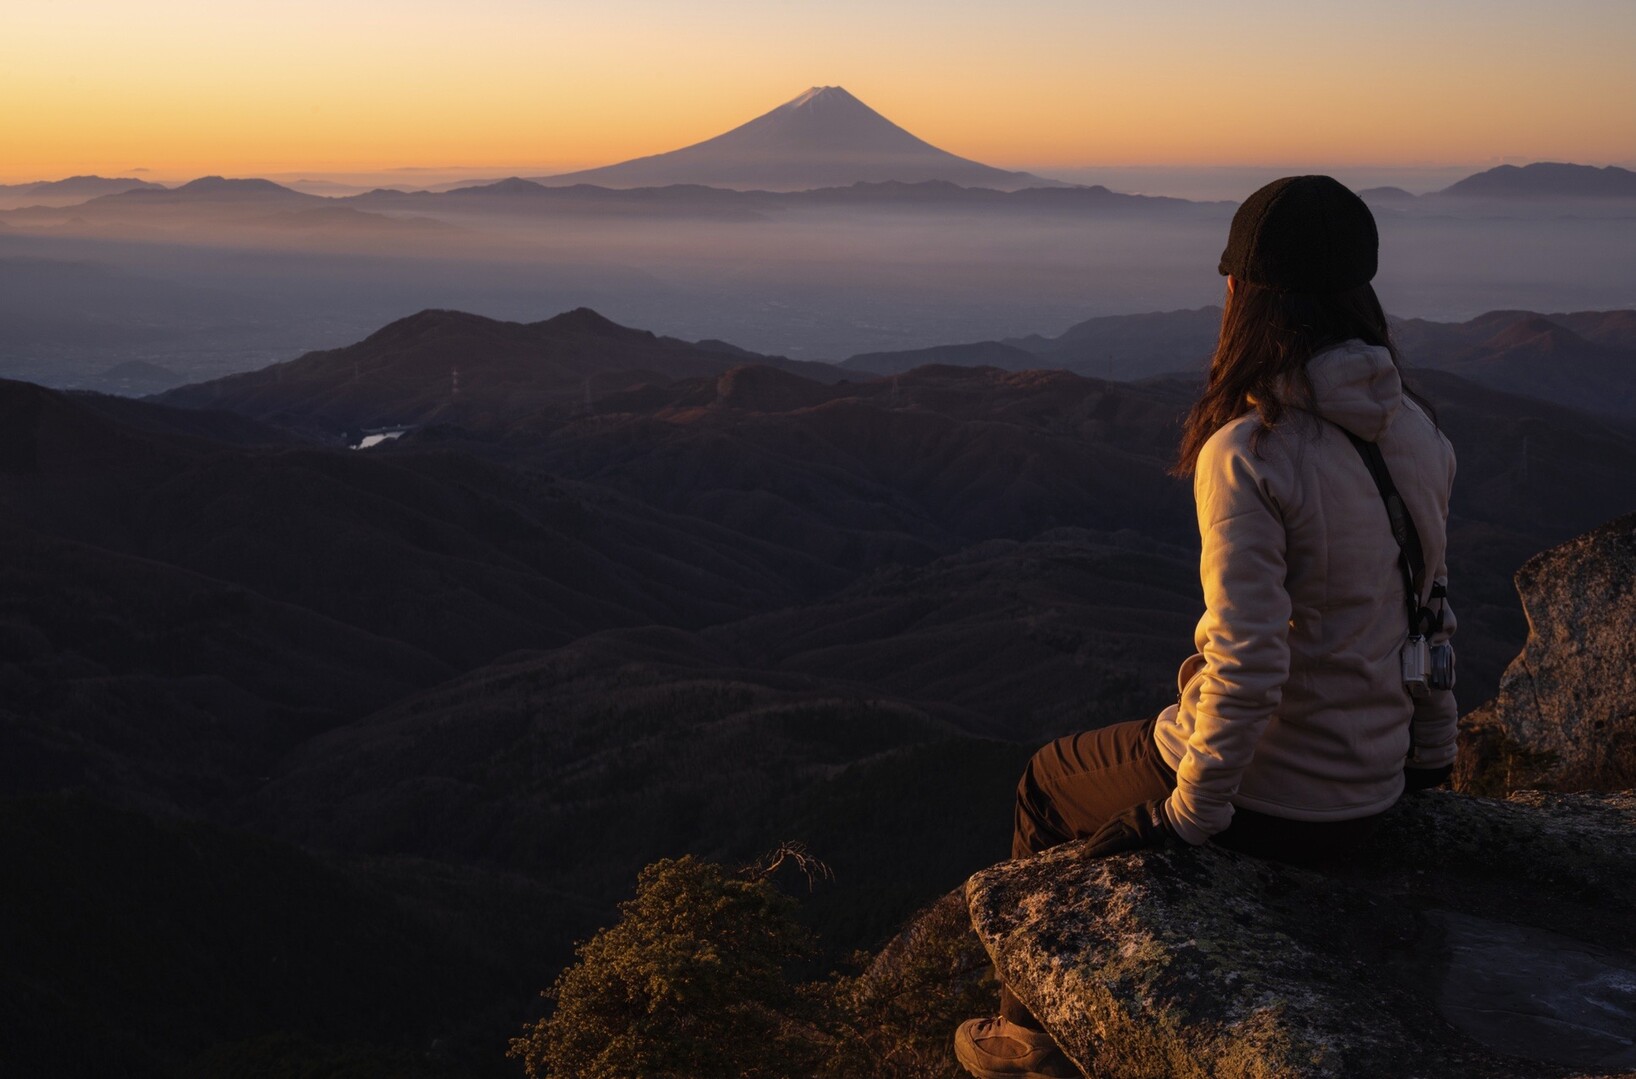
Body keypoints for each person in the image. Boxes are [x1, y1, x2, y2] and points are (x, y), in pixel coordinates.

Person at [953, 175, 1458, 1079]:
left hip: (1273, 799)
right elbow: (1431, 606)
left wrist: (1189, 816)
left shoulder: (1251, 452)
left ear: (1244, 296)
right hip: (1370, 787)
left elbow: (1248, 661)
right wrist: (1429, 760)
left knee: (1045, 779)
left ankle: (1026, 1040)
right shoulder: (1416, 432)